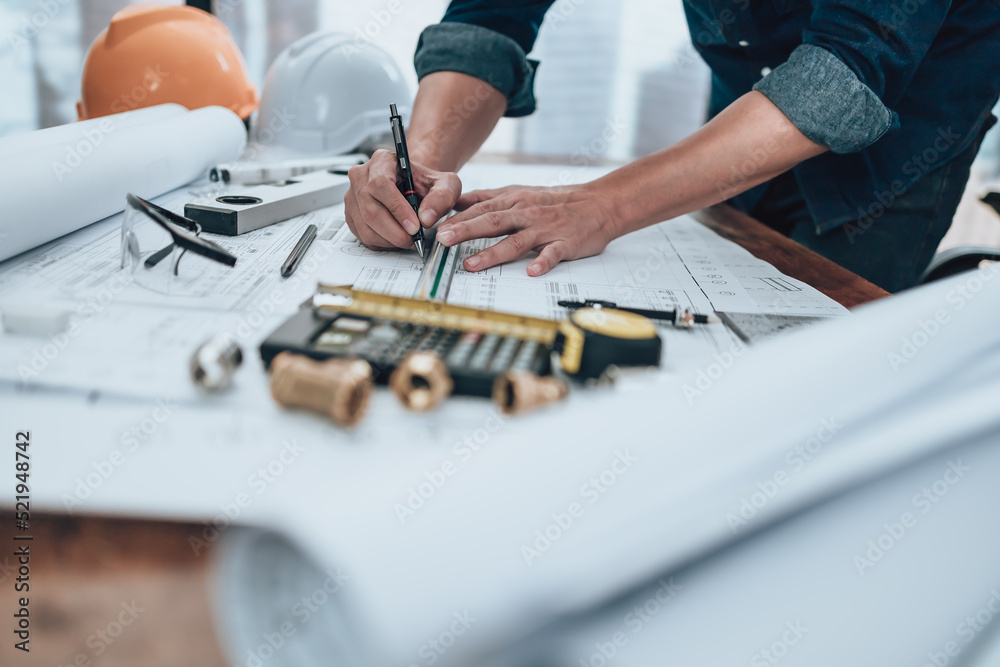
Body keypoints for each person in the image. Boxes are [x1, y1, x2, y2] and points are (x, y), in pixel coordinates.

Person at [344, 0, 1000, 293]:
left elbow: (845, 72)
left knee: (811, 374)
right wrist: (422, 164)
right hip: (754, 91)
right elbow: (490, 18)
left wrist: (600, 205)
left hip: (904, 131)